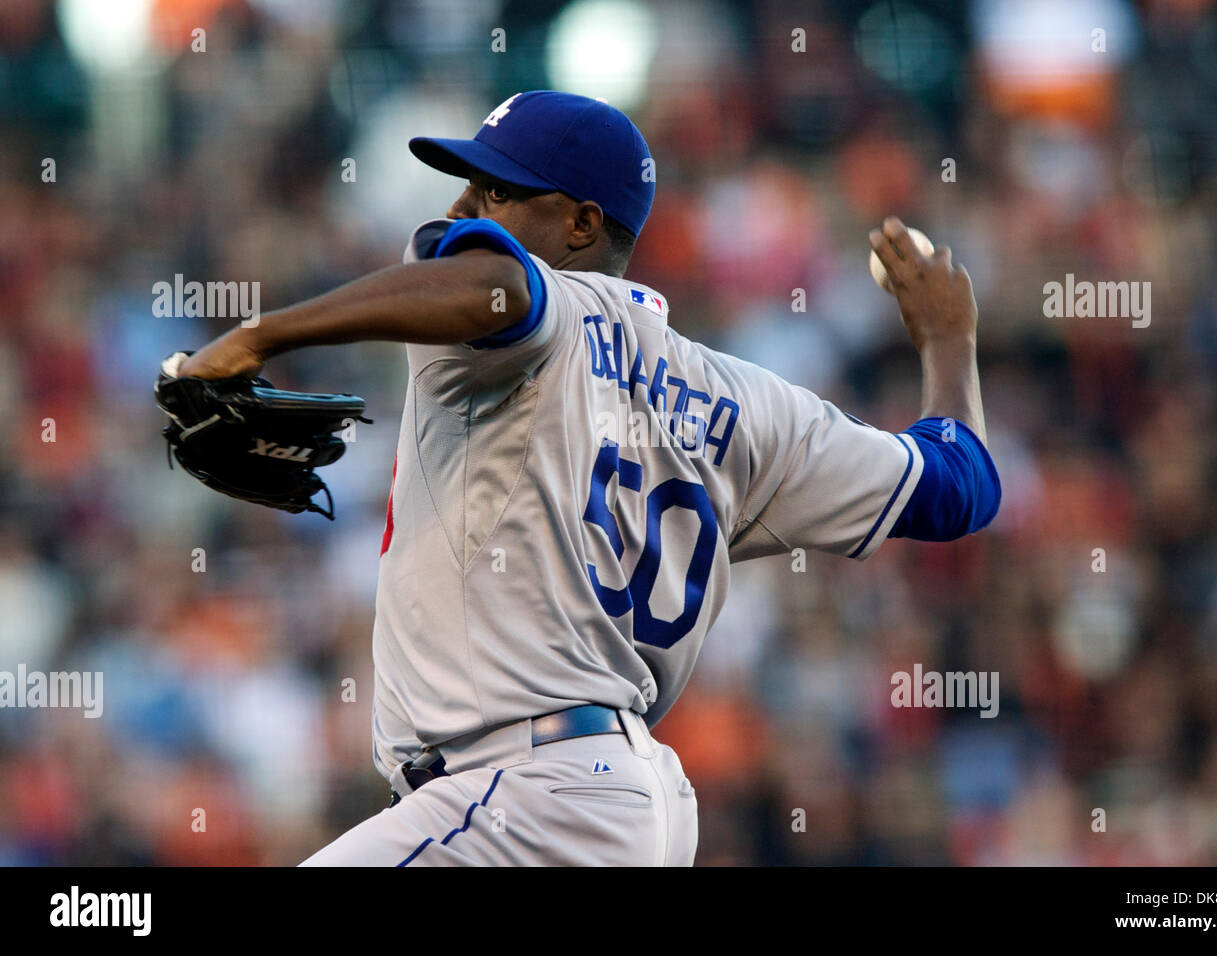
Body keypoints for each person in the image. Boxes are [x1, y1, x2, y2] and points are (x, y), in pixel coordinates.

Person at [177, 90, 1001, 866]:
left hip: (525, 799)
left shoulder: (541, 316)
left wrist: (260, 337)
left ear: (580, 223)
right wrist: (949, 343)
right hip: (627, 808)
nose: (461, 209)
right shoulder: (754, 407)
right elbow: (956, 487)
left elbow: (497, 290)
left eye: (495, 191)